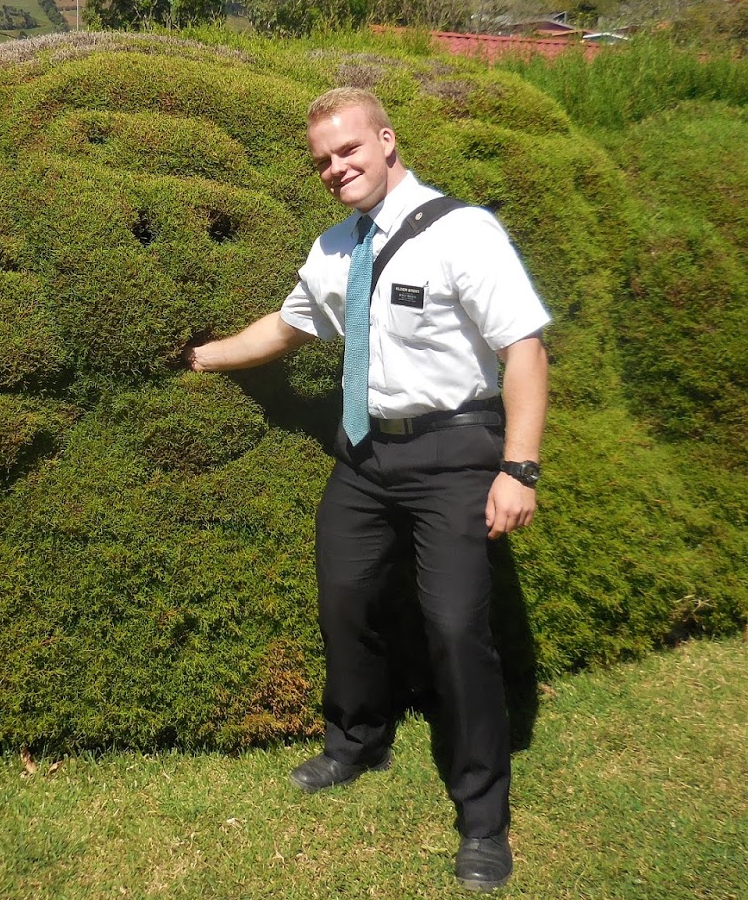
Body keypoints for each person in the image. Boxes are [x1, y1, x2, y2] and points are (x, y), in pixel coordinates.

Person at [187, 86, 550, 893]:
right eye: (322, 159)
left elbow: (523, 348)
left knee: (457, 627)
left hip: (455, 451)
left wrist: (518, 467)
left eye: (348, 150)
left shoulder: (464, 233)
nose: (335, 167)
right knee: (345, 599)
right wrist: (203, 356)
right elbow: (284, 329)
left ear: (386, 141)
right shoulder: (333, 250)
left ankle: (483, 815)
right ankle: (357, 741)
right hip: (364, 455)